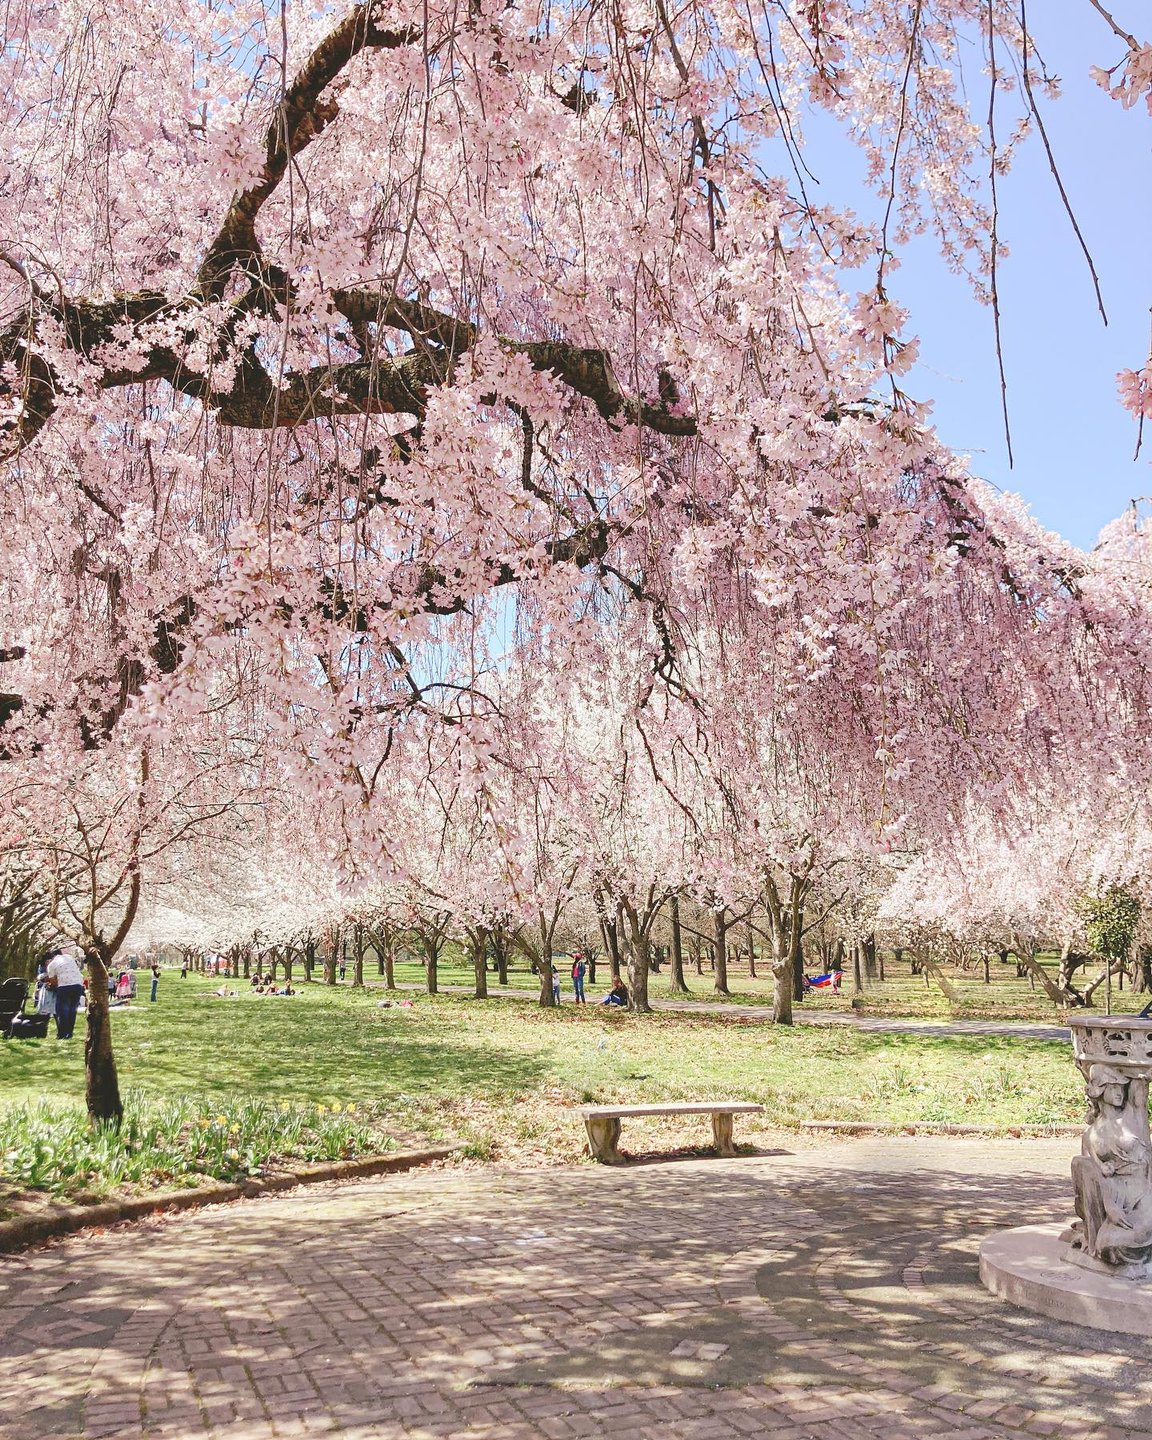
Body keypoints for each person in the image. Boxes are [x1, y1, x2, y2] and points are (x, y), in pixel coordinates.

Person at [45, 948, 85, 1039]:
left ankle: (62, 1034)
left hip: (64, 986)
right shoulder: (69, 957)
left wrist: (50, 984)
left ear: (52, 956)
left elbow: (53, 982)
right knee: (72, 1010)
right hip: (78, 985)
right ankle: (69, 1033)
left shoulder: (52, 964)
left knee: (62, 1010)